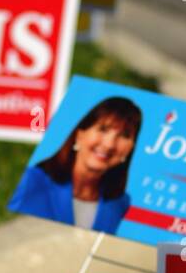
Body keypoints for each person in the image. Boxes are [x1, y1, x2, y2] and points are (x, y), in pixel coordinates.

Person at [9, 96, 142, 233]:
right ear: (79, 135)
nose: (109, 144)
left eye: (125, 135)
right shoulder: (30, 181)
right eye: (103, 129)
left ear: (131, 148)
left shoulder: (120, 203)